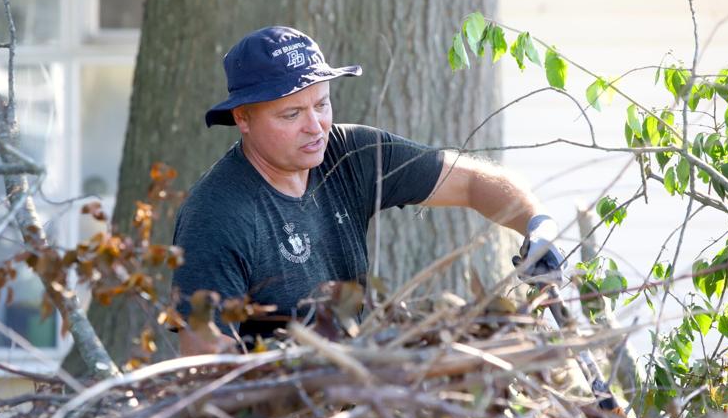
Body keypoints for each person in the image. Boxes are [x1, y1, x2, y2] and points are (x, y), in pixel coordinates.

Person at [173, 26, 564, 355]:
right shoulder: (216, 217)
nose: (315, 126)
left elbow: (474, 183)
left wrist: (537, 224)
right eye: (292, 114)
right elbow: (205, 368)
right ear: (243, 117)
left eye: (322, 105)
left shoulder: (350, 154)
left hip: (358, 404)